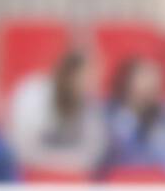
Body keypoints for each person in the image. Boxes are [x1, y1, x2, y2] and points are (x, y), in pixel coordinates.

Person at [7, 48, 107, 178]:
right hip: (31, 178)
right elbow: (21, 147)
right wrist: (54, 163)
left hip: (72, 181)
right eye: (85, 76)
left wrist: (64, 165)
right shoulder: (33, 94)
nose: (89, 84)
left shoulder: (91, 107)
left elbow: (93, 152)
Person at [100, 56, 165, 180]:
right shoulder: (111, 113)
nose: (150, 82)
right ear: (128, 79)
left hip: (161, 186)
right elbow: (108, 157)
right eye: (144, 75)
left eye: (153, 77)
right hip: (121, 185)